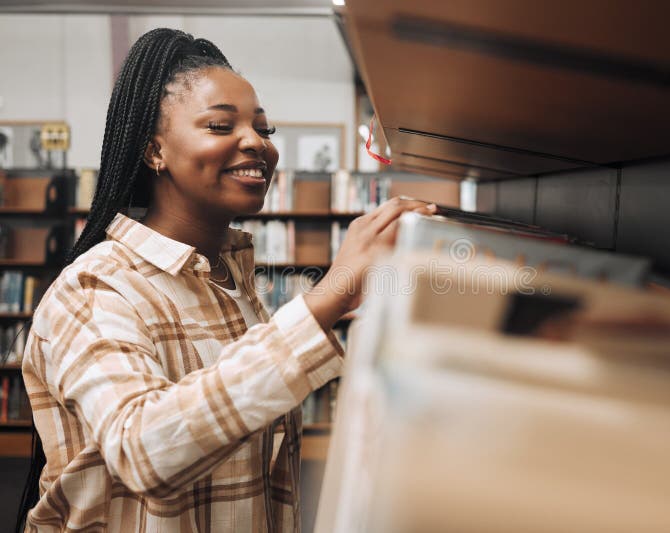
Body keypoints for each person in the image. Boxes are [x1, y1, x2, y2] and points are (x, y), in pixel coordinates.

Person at [18, 28, 434, 532]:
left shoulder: (231, 281)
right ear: (154, 151)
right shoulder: (94, 288)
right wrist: (330, 294)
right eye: (220, 125)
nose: (256, 142)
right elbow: (143, 449)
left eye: (265, 129)